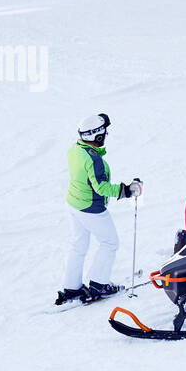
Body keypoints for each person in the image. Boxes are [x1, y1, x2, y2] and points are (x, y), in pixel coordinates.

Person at [56, 113, 141, 305]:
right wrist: (126, 190)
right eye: (104, 133)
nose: (106, 136)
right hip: (90, 207)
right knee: (110, 243)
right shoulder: (94, 159)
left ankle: (71, 288)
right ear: (97, 136)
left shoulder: (75, 150)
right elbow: (101, 187)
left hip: (73, 203)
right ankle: (98, 285)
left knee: (78, 244)